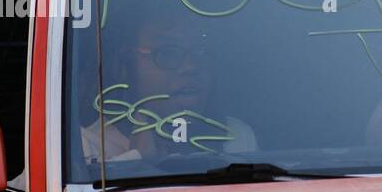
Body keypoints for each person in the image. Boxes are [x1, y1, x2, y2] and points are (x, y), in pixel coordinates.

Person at [81, 13, 256, 165]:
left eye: (200, 51)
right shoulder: (85, 147)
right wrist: (136, 159)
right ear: (126, 65)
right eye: (167, 53)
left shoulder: (234, 137)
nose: (191, 66)